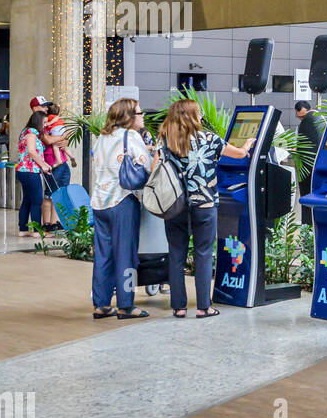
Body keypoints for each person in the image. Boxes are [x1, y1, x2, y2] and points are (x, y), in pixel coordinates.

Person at [158, 99, 254, 318]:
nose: (201, 116)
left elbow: (156, 168)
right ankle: (203, 307)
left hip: (176, 205)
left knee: (176, 254)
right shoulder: (209, 139)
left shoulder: (166, 140)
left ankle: (179, 307)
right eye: (198, 113)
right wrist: (248, 144)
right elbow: (239, 154)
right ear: (192, 116)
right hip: (205, 204)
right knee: (202, 254)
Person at [90, 98, 153, 319]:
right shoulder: (131, 136)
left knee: (103, 254)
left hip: (99, 202)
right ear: (128, 117)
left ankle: (101, 304)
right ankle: (126, 305)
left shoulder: (101, 137)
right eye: (139, 112)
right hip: (122, 201)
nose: (142, 115)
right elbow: (147, 164)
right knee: (126, 253)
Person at [15, 111, 52, 238]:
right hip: (30, 171)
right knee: (37, 200)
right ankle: (37, 231)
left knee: (27, 200)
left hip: (24, 171)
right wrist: (43, 164)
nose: (46, 125)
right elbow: (31, 152)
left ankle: (23, 229)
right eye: (45, 122)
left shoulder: (27, 132)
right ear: (38, 121)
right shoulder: (31, 134)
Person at [40, 102, 72, 232]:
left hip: (63, 162)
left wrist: (64, 139)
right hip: (51, 163)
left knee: (60, 194)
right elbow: (48, 140)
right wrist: (62, 137)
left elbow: (66, 135)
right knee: (49, 193)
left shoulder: (55, 123)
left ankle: (55, 222)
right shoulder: (41, 125)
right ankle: (46, 222)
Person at [294, 99, 323, 223]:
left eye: (303, 116)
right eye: (299, 117)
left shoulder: (314, 120)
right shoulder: (311, 121)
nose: (301, 119)